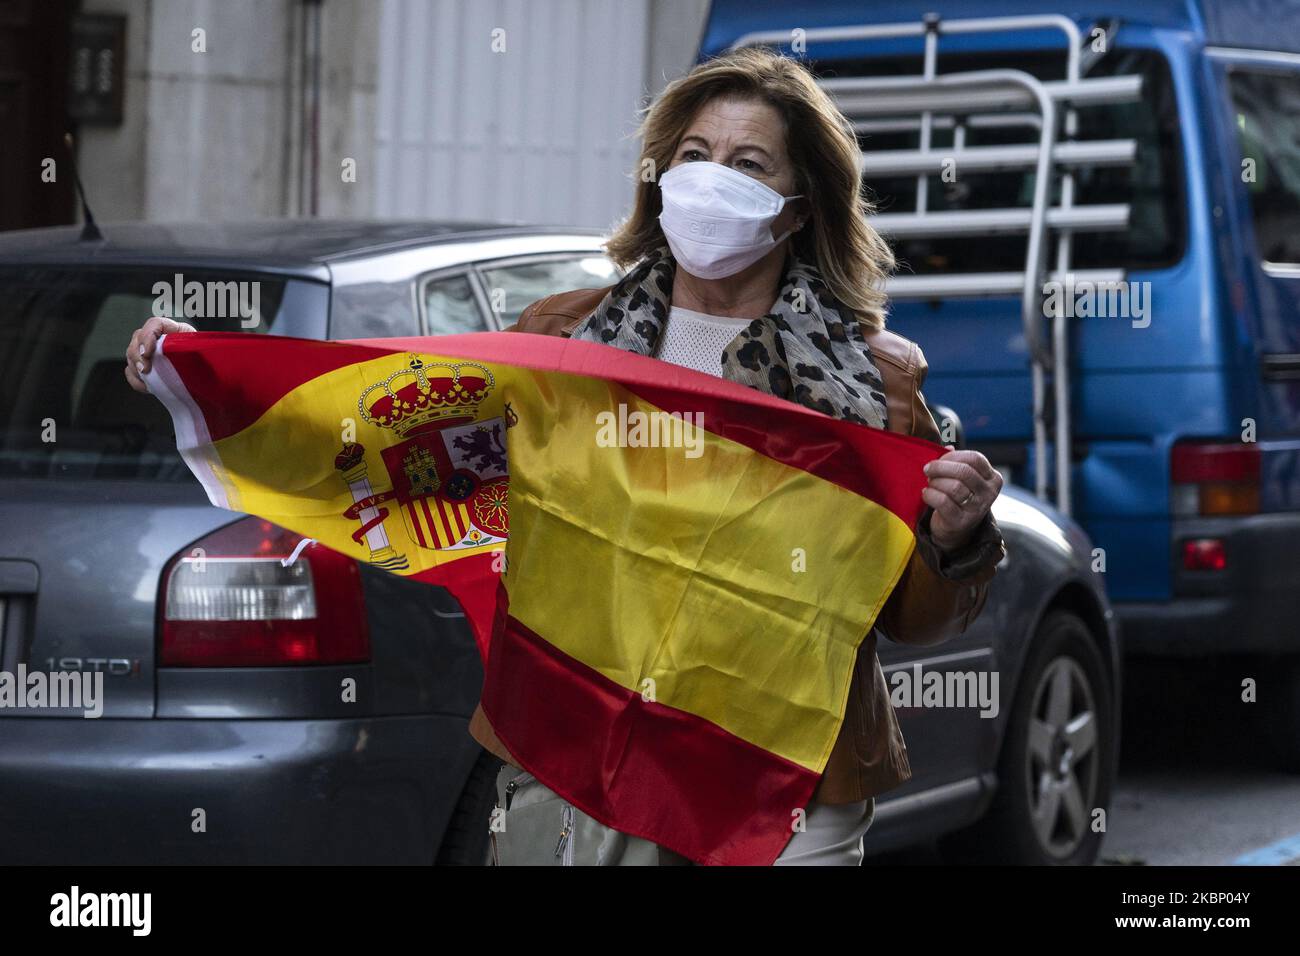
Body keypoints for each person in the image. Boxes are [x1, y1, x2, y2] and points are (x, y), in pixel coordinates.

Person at [124, 46, 1006, 866]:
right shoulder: (562, 343)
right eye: (694, 155)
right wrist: (212, 372)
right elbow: (397, 436)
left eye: (748, 165)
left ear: (799, 205)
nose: (711, 182)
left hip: (787, 780)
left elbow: (908, 615)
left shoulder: (869, 385)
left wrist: (958, 537)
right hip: (585, 758)